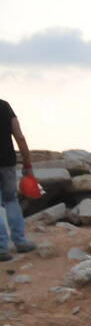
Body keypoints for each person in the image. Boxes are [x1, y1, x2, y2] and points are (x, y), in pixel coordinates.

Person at [1, 97, 36, 262]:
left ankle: (2, 247)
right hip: (7, 163)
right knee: (11, 200)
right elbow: (19, 137)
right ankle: (20, 241)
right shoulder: (4, 106)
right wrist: (27, 164)